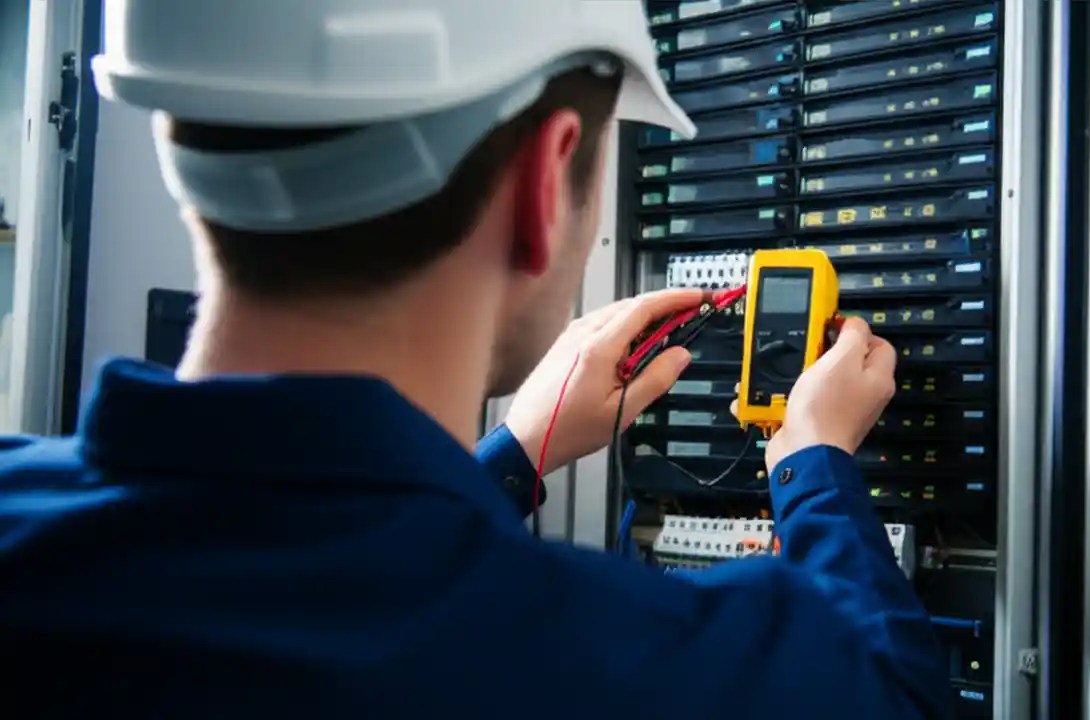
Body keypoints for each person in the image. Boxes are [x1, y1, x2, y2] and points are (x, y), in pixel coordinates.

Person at [0, 1, 949, 717]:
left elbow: (322, 565)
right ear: (545, 182)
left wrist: (514, 454)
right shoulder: (628, 665)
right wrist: (813, 460)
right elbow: (895, 689)